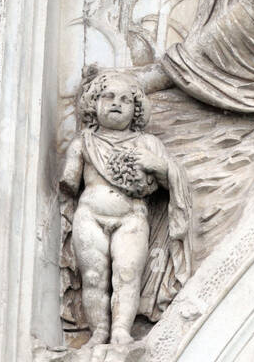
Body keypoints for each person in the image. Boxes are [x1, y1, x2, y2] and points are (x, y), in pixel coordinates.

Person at [59, 71, 193, 344]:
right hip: (90, 216)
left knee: (127, 273)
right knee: (94, 276)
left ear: (136, 109)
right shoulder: (84, 142)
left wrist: (156, 165)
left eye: (125, 99)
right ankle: (98, 331)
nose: (116, 103)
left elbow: (172, 181)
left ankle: (121, 329)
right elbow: (69, 183)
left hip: (131, 216)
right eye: (108, 97)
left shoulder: (148, 143)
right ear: (94, 104)